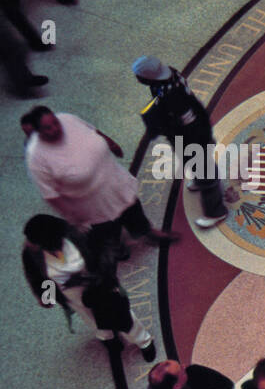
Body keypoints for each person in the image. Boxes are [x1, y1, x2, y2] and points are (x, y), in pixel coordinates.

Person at [24, 106, 177, 272]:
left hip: (115, 183)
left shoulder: (68, 119)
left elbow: (93, 130)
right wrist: (71, 214)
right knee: (107, 230)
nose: (55, 128)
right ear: (38, 132)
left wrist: (111, 143)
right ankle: (117, 248)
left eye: (54, 122)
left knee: (133, 209)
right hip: (90, 203)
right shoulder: (36, 157)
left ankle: (146, 232)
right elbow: (50, 195)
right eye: (48, 127)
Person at [22, 213, 156, 360]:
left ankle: (144, 341)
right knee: (89, 318)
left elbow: (106, 253)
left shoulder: (79, 234)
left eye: (35, 242)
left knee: (122, 314)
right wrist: (44, 296)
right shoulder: (31, 253)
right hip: (71, 296)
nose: (30, 245)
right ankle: (107, 337)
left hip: (99, 285)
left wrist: (99, 278)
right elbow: (37, 277)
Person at [133, 55, 230, 229]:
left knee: (206, 173)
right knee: (195, 164)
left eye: (138, 76)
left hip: (192, 136)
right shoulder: (169, 75)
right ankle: (201, 179)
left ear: (147, 77)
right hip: (187, 133)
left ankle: (216, 211)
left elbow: (189, 123)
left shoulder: (172, 95)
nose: (137, 79)